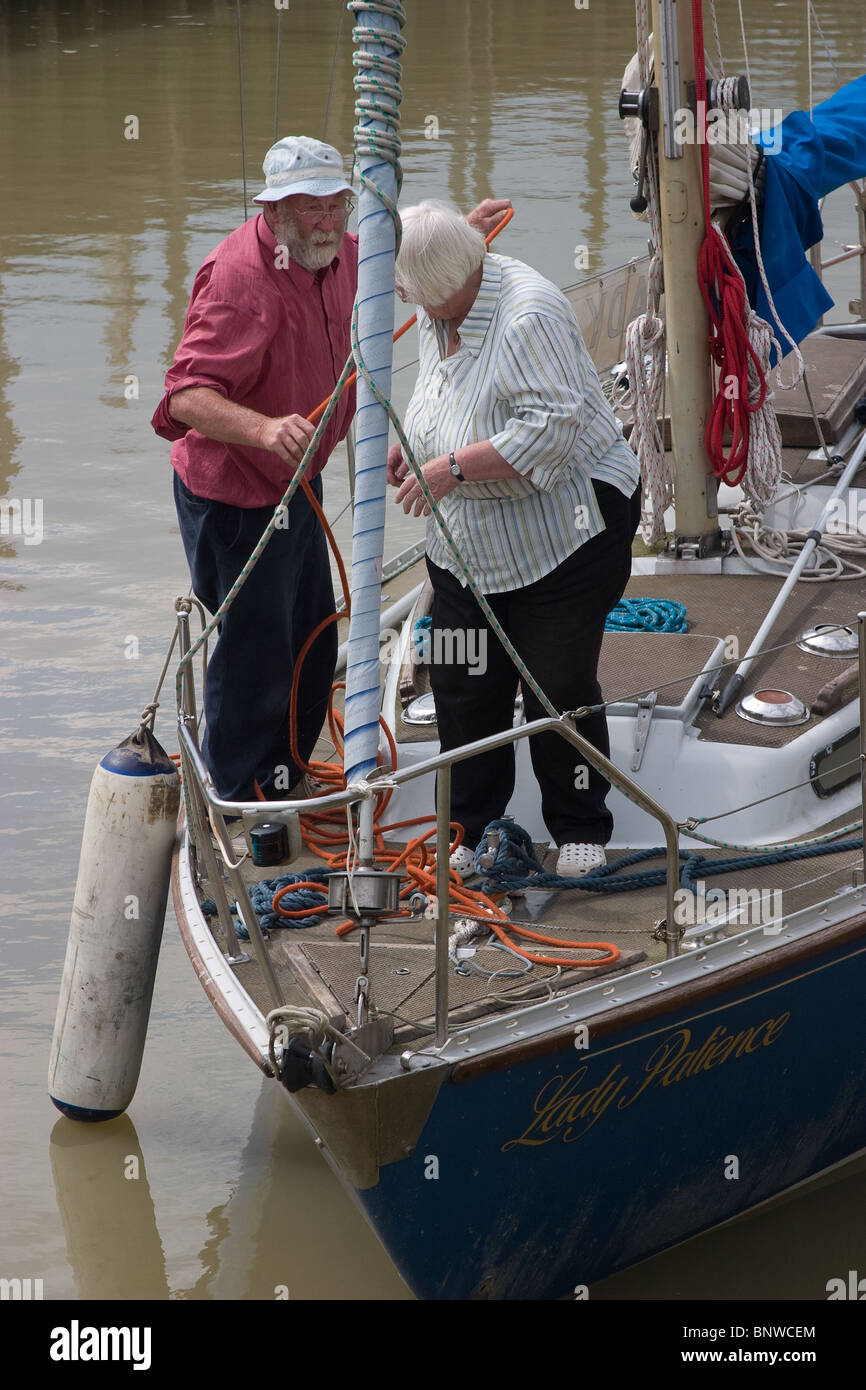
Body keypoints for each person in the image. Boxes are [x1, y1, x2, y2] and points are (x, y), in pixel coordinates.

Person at [151, 137, 508, 801]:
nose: (327, 220)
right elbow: (183, 398)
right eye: (308, 207)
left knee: (314, 637)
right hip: (235, 493)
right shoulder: (235, 279)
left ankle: (284, 775)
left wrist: (459, 233)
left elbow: (397, 240)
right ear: (275, 211)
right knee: (256, 651)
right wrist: (262, 428)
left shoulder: (347, 247)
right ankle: (238, 795)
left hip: (298, 484)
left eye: (336, 203)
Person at [388, 201, 642, 878]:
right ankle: (467, 830)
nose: (399, 299)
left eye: (405, 289)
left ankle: (582, 824)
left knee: (557, 685)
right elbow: (444, 397)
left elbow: (550, 433)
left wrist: (449, 467)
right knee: (461, 677)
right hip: (466, 544)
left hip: (564, 533)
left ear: (439, 284)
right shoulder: (440, 307)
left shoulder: (529, 312)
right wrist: (414, 450)